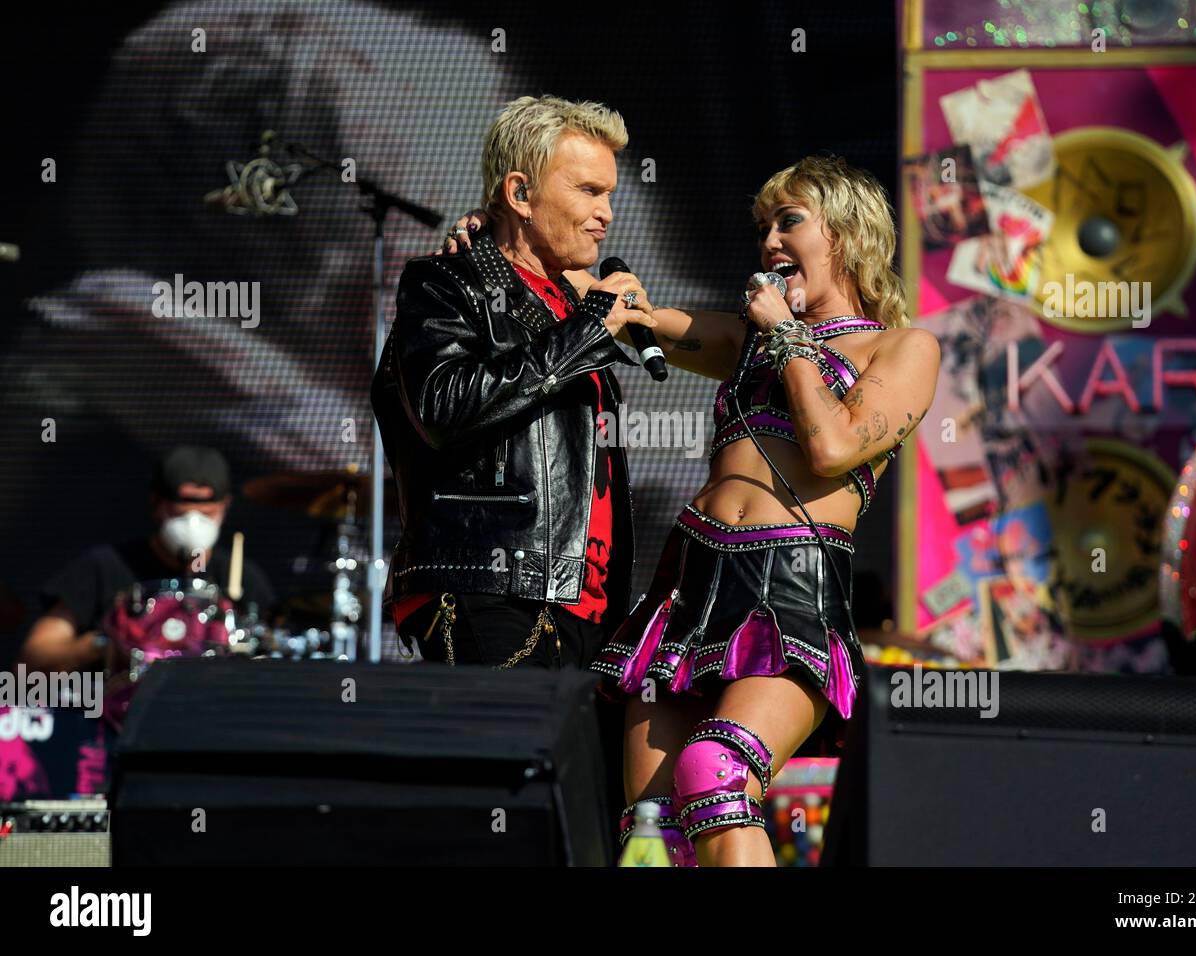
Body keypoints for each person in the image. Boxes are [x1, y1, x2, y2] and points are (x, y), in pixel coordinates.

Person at [442, 155, 940, 866]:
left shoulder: (903, 346)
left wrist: (785, 336)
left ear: (849, 232)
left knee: (716, 774)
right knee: (649, 832)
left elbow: (833, 446)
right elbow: (615, 315)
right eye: (764, 226)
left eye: (789, 222)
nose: (769, 241)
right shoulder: (744, 337)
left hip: (790, 585)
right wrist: (492, 247)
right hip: (689, 581)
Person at [371, 95, 660, 669]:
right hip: (489, 586)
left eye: (611, 195)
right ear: (521, 193)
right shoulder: (445, 282)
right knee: (506, 756)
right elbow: (442, 406)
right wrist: (584, 330)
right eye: (588, 191)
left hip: (584, 605)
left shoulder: (571, 303)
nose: (606, 213)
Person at [19, 445, 277, 672]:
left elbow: (274, 653)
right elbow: (35, 657)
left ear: (225, 506)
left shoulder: (241, 577)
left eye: (206, 508)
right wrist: (108, 642)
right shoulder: (105, 567)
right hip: (118, 716)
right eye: (183, 507)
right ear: (156, 503)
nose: (194, 519)